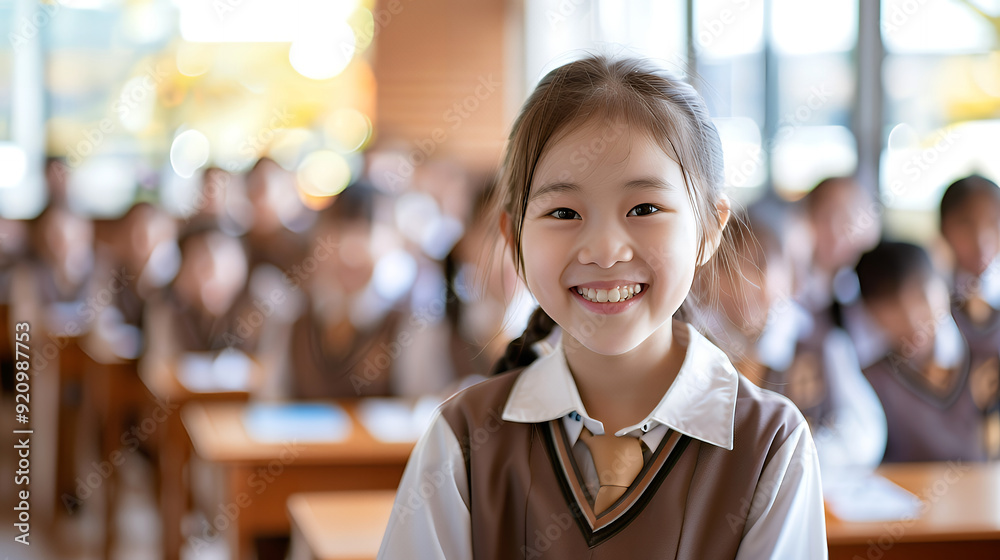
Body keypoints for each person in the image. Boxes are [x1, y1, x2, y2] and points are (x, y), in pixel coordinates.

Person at [378, 54, 826, 558]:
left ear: (709, 229)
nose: (605, 249)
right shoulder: (461, 441)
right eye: (564, 212)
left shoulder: (770, 446)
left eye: (644, 209)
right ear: (513, 237)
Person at [710, 205, 886, 472]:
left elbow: (865, 435)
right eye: (727, 266)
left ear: (792, 279)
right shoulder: (699, 345)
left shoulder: (822, 344)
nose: (741, 282)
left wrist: (800, 452)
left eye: (758, 265)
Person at [857, 240, 1000, 463]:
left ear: (943, 285)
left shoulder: (989, 354)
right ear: (870, 313)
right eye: (892, 309)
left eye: (920, 297)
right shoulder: (872, 382)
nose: (911, 320)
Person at [939, 175, 1000, 360]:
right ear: (944, 228)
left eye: (993, 222)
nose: (981, 239)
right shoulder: (932, 295)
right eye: (966, 224)